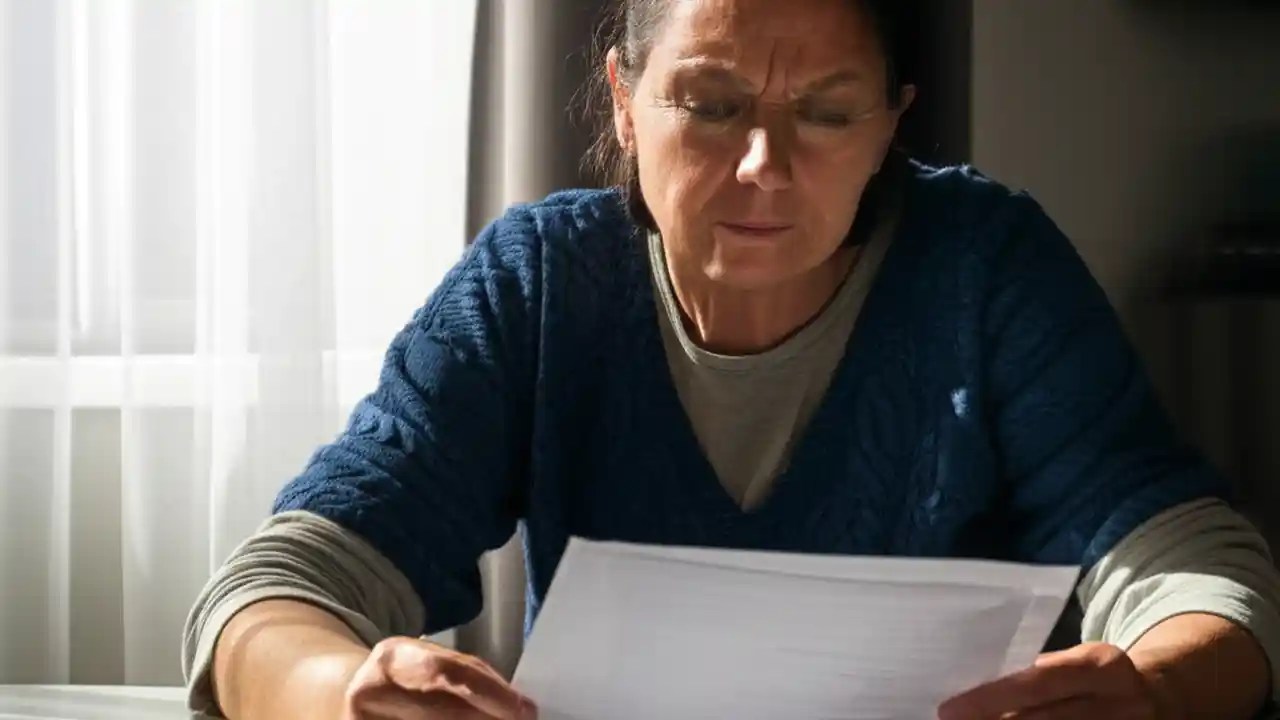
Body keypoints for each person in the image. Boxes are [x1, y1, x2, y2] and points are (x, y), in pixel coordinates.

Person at [182, 0, 1280, 718]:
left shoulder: (983, 270)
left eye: (826, 113)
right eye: (709, 107)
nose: (763, 166)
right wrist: (338, 695)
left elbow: (1200, 572)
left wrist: (1154, 691)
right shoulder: (540, 282)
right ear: (621, 99)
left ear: (890, 124)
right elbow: (270, 590)